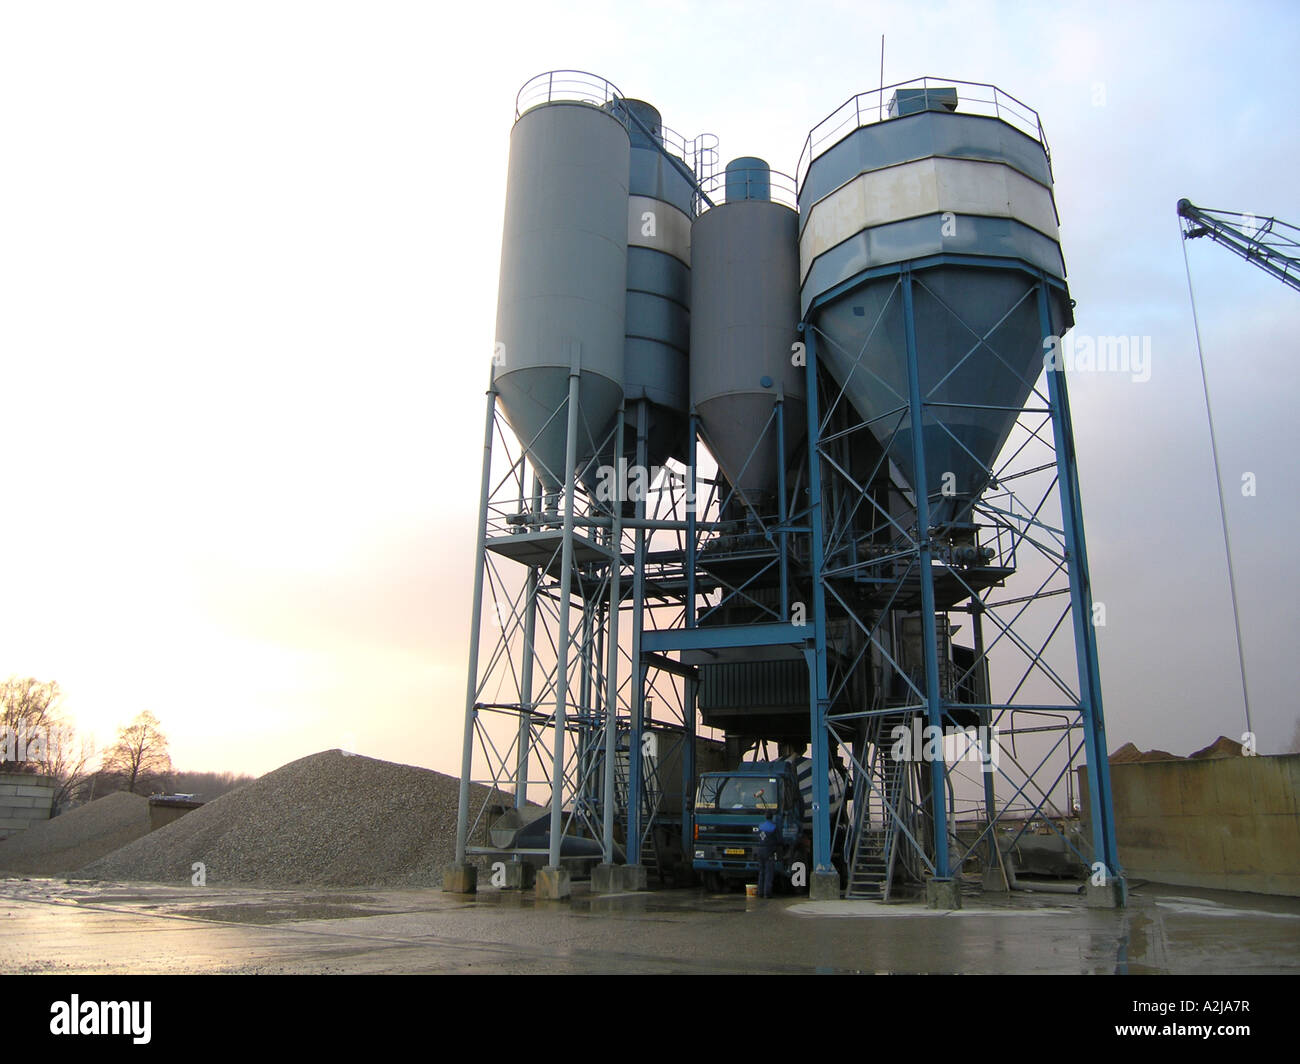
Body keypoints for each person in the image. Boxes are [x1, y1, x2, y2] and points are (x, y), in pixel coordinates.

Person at [757, 810, 779, 898]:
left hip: (760, 850)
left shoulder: (760, 826)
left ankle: (760, 892)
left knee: (761, 872)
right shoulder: (773, 827)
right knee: (768, 873)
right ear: (772, 817)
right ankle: (767, 893)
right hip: (769, 851)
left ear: (765, 817)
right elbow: (779, 839)